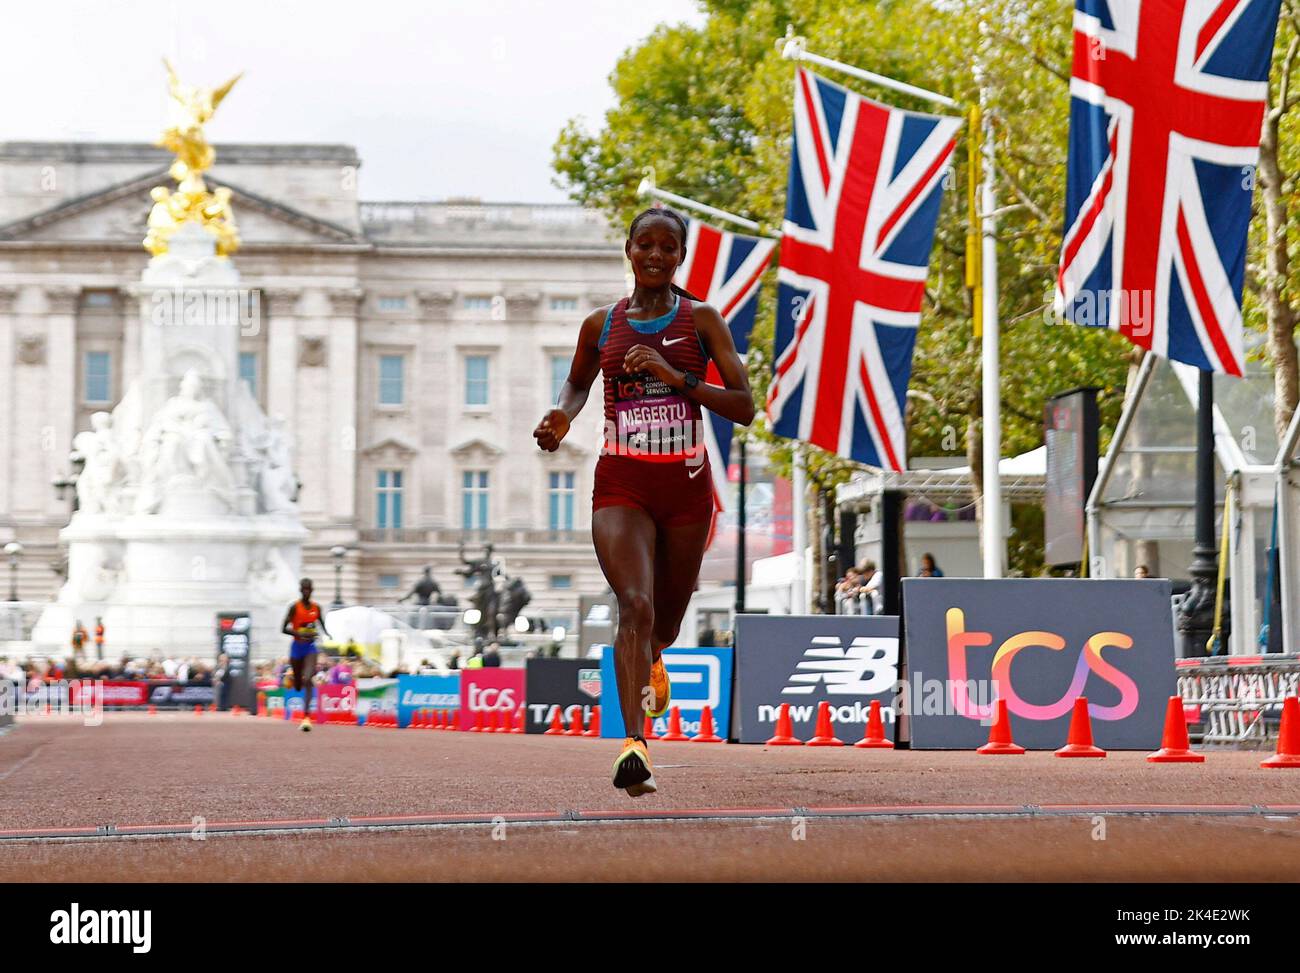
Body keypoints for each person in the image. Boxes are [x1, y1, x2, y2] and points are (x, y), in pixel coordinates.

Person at [533, 207, 754, 797]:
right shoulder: (600, 326)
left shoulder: (701, 319)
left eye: (668, 248)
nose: (655, 256)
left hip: (685, 489)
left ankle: (654, 654)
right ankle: (635, 746)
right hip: (622, 483)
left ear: (680, 256)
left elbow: (744, 405)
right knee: (633, 603)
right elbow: (579, 381)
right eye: (645, 245)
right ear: (628, 250)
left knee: (666, 620)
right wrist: (562, 412)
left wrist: (672, 374)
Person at [281, 578, 331, 732]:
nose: (306, 592)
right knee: (297, 685)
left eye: (309, 589)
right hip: (297, 647)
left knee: (308, 679)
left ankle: (306, 717)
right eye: (304, 589)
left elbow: (320, 622)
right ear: (301, 590)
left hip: (310, 647)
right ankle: (294, 678)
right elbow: (283, 628)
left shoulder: (317, 608)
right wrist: (299, 633)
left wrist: (327, 634)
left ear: (312, 590)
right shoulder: (294, 607)